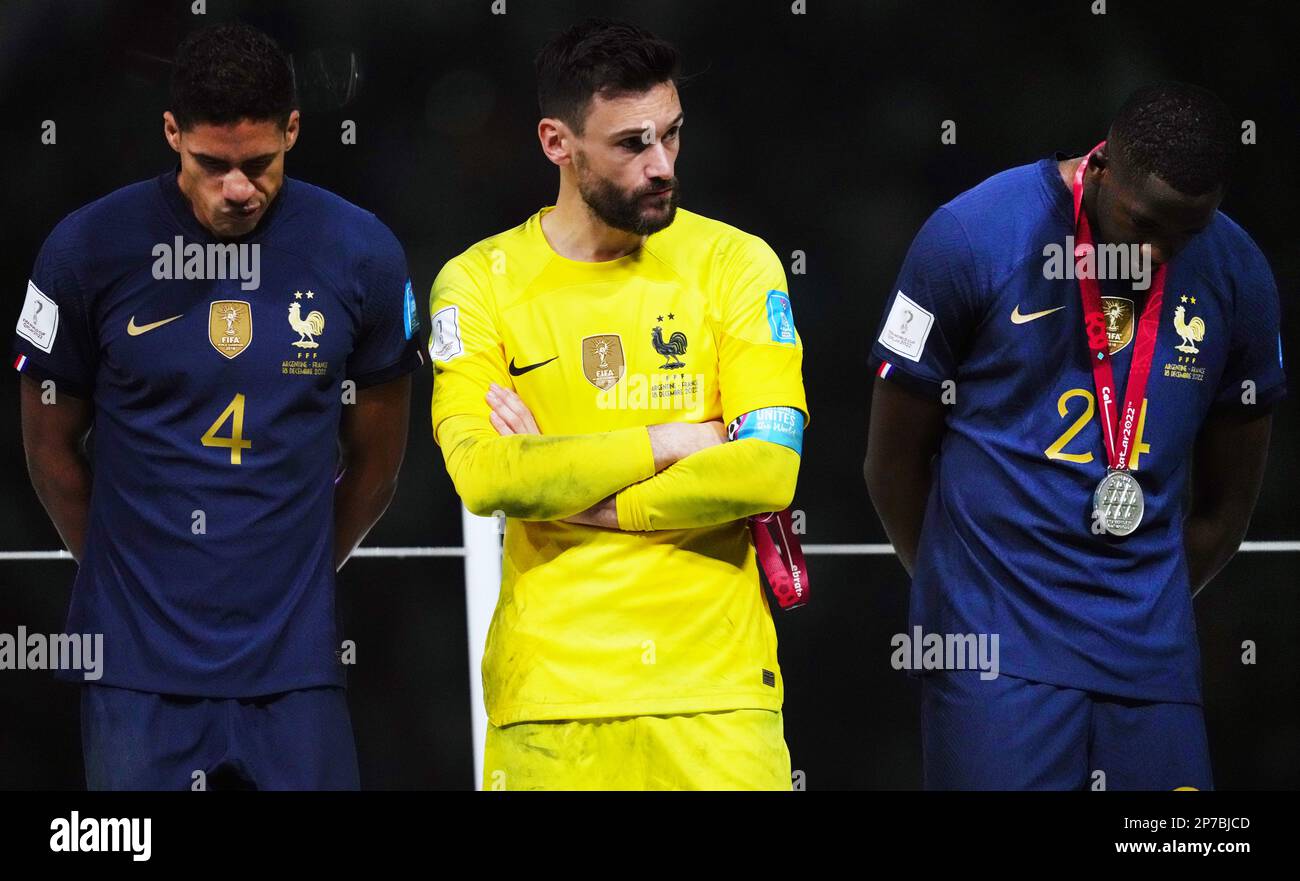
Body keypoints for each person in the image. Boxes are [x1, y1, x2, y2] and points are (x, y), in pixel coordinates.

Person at [12, 23, 422, 789]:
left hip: (295, 663)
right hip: (133, 663)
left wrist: (291, 572)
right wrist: (127, 569)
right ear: (172, 133)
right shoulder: (85, 249)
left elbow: (378, 462)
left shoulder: (361, 253)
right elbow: (48, 447)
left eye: (259, 164)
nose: (238, 188)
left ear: (294, 130)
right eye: (212, 164)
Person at [865, 82, 1285, 790]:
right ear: (1098, 170)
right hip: (992, 655)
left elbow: (1227, 507)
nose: (1157, 255)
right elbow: (891, 463)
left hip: (1149, 658)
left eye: (1185, 234)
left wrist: (1140, 606)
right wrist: (965, 593)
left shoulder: (1238, 273)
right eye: (1142, 223)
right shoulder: (973, 236)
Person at [429, 19, 809, 790]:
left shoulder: (737, 263)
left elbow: (768, 472)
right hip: (552, 704)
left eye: (672, 135)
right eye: (633, 144)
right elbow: (487, 477)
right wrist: (677, 437)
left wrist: (581, 497)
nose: (663, 164)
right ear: (555, 143)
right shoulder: (477, 284)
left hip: (718, 700)